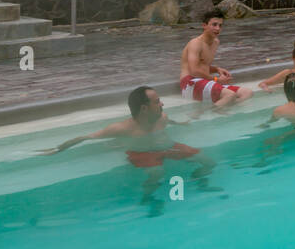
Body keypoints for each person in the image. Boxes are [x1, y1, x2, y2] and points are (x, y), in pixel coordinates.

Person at [37, 86, 217, 207]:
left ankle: (199, 182)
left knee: (208, 161)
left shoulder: (162, 117)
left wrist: (181, 124)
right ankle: (148, 199)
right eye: (157, 102)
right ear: (144, 109)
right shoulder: (123, 128)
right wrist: (57, 149)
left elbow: (170, 120)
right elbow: (86, 137)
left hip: (167, 146)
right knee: (157, 173)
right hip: (141, 152)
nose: (162, 104)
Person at [179, 8, 253, 112]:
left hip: (206, 82)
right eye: (214, 24)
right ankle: (206, 114)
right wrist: (216, 80)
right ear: (204, 25)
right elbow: (194, 70)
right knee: (229, 95)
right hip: (190, 82)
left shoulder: (215, 42)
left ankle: (217, 110)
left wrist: (217, 69)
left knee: (247, 93)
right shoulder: (195, 43)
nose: (218, 28)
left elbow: (202, 65)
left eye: (220, 25)